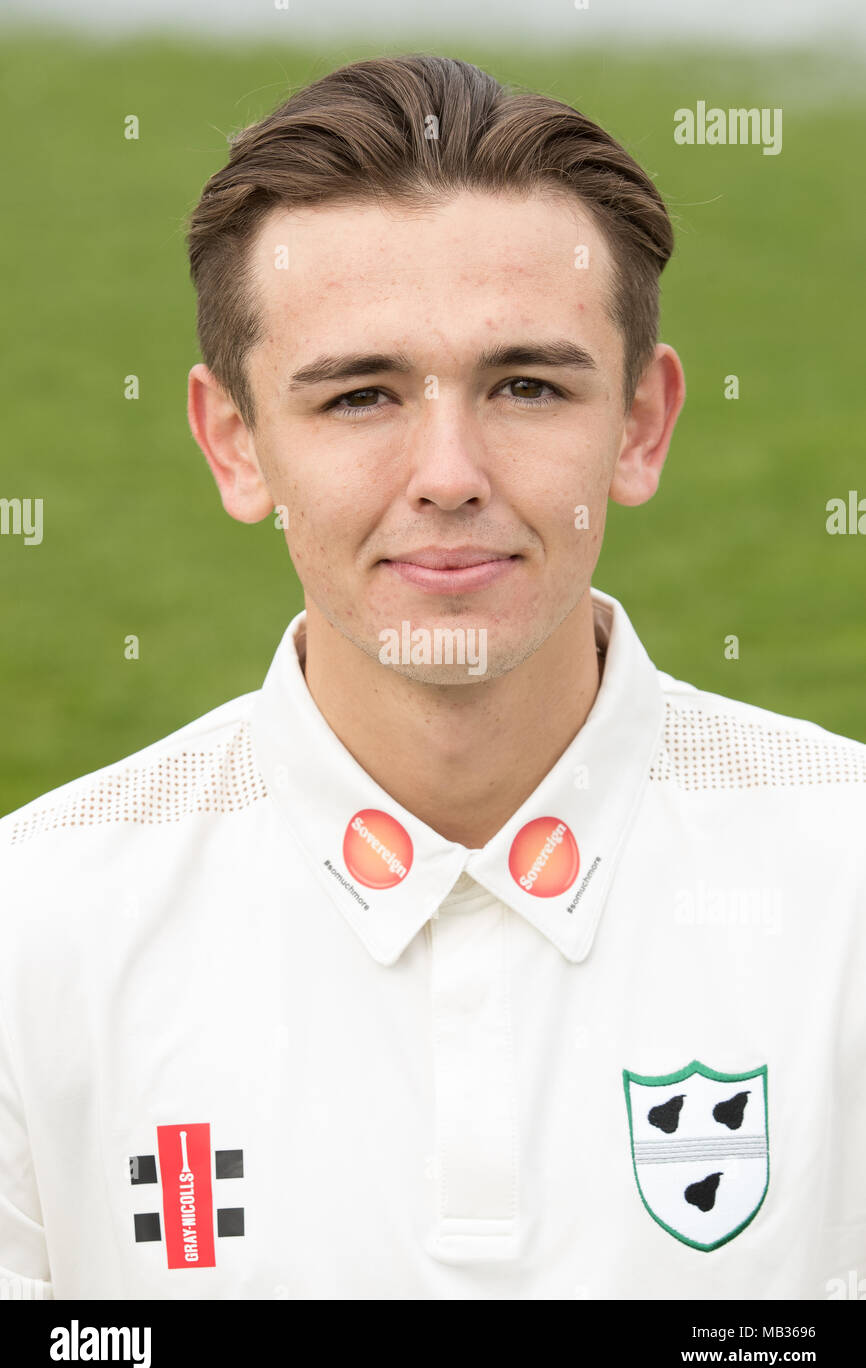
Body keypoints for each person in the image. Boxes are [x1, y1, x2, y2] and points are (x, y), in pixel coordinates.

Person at [1, 54, 863, 1301]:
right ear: (234, 446)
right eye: (359, 395)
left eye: (524, 384)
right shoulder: (34, 934)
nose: (447, 471)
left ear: (638, 424)